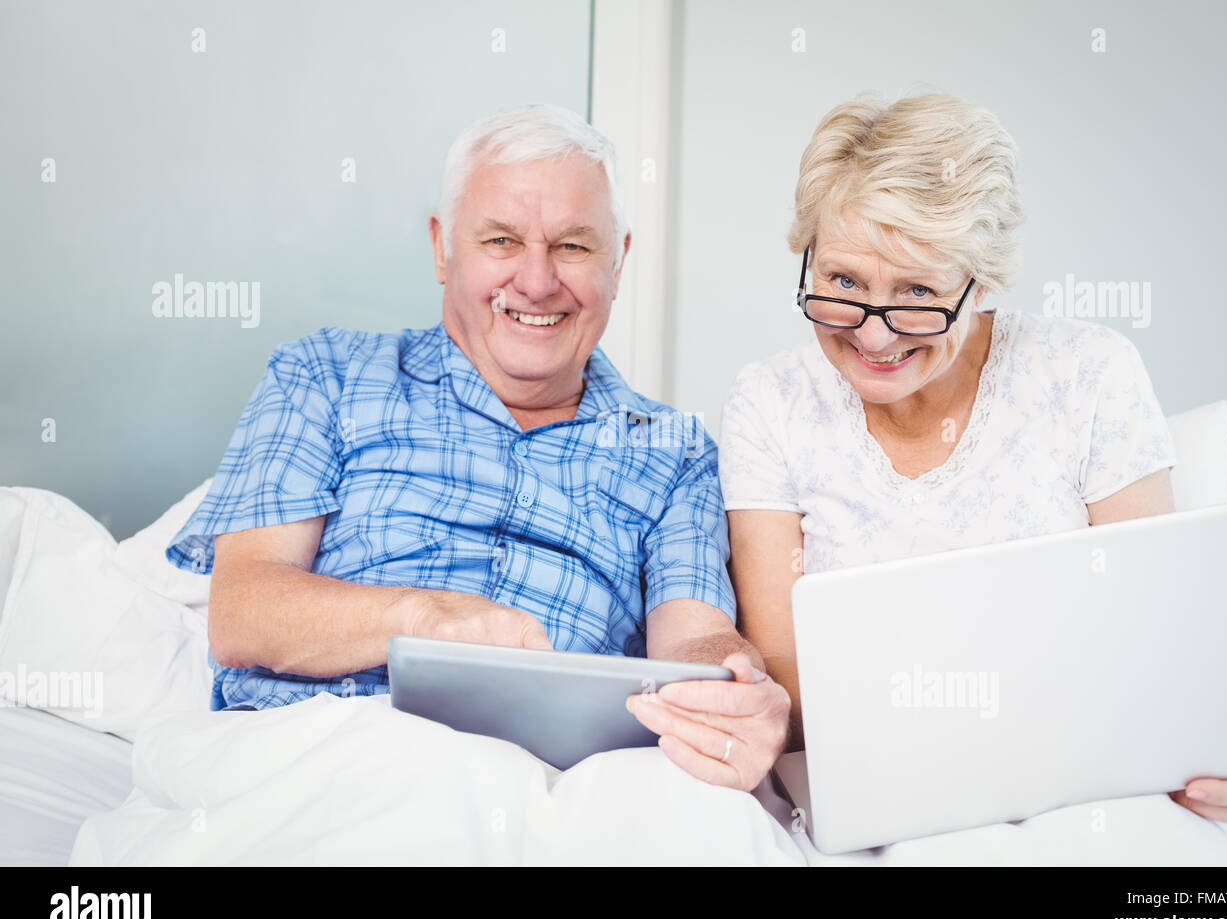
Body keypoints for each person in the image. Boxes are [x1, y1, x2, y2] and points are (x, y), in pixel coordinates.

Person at [166, 104, 789, 792]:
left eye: (574, 246)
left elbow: (692, 638)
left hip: (549, 789)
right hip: (323, 754)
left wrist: (732, 682)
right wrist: (426, 616)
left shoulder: (676, 452)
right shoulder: (325, 375)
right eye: (501, 242)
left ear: (620, 262)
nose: (537, 281)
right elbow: (243, 613)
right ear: (442, 247)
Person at [720, 93, 1227, 822]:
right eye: (843, 283)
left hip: (1076, 795)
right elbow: (789, 696)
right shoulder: (770, 401)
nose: (875, 336)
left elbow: (1156, 650)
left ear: (981, 282)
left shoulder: (1091, 373)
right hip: (878, 798)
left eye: (917, 291)